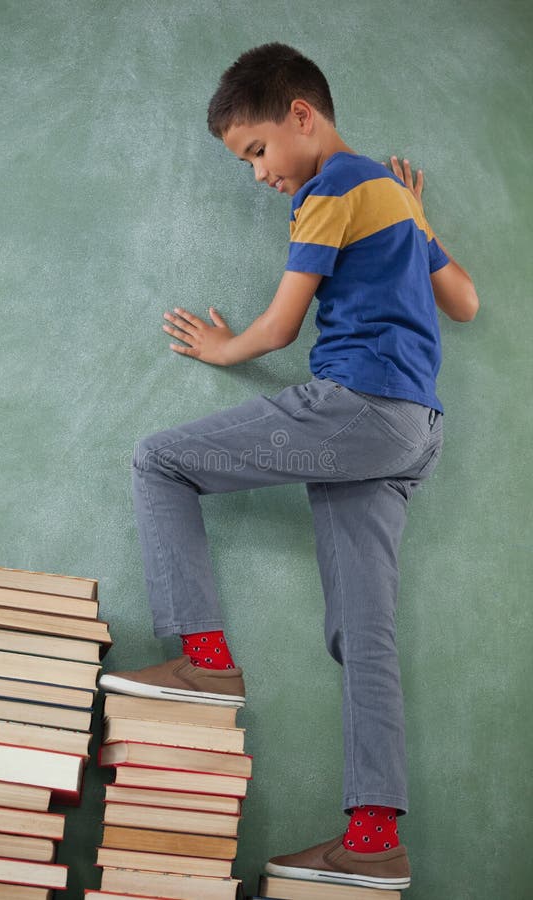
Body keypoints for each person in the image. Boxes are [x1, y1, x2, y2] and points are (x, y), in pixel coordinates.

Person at [99, 42, 478, 891]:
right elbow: (466, 301)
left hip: (358, 407)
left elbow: (277, 329)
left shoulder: (335, 188)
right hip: (413, 429)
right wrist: (420, 220)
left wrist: (224, 346)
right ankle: (373, 836)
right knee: (364, 634)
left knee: (159, 461)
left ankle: (203, 656)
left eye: (257, 151)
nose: (260, 175)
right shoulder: (391, 198)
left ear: (301, 115)